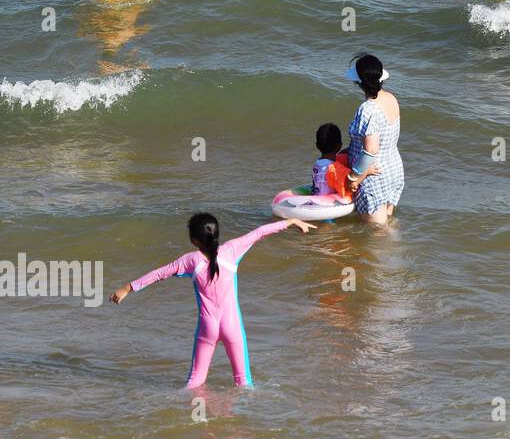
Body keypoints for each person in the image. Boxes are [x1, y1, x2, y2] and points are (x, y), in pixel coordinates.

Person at [109, 214, 317, 387]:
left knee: (195, 382)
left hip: (207, 328)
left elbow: (160, 273)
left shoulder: (190, 261)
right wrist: (290, 222)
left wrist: (128, 288)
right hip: (232, 326)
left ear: (194, 241)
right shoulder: (232, 249)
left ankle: (188, 420)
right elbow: (259, 233)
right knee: (244, 382)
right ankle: (247, 426)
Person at [346, 54, 404, 227]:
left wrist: (354, 176)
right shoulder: (391, 98)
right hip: (393, 169)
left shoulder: (368, 109)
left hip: (374, 176)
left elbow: (371, 150)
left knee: (378, 233)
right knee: (387, 225)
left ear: (358, 82)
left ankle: (402, 254)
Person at [312, 123, 355, 199]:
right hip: (328, 206)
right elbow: (352, 179)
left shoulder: (317, 165)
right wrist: (367, 171)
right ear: (339, 146)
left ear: (317, 146)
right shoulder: (335, 168)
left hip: (316, 201)